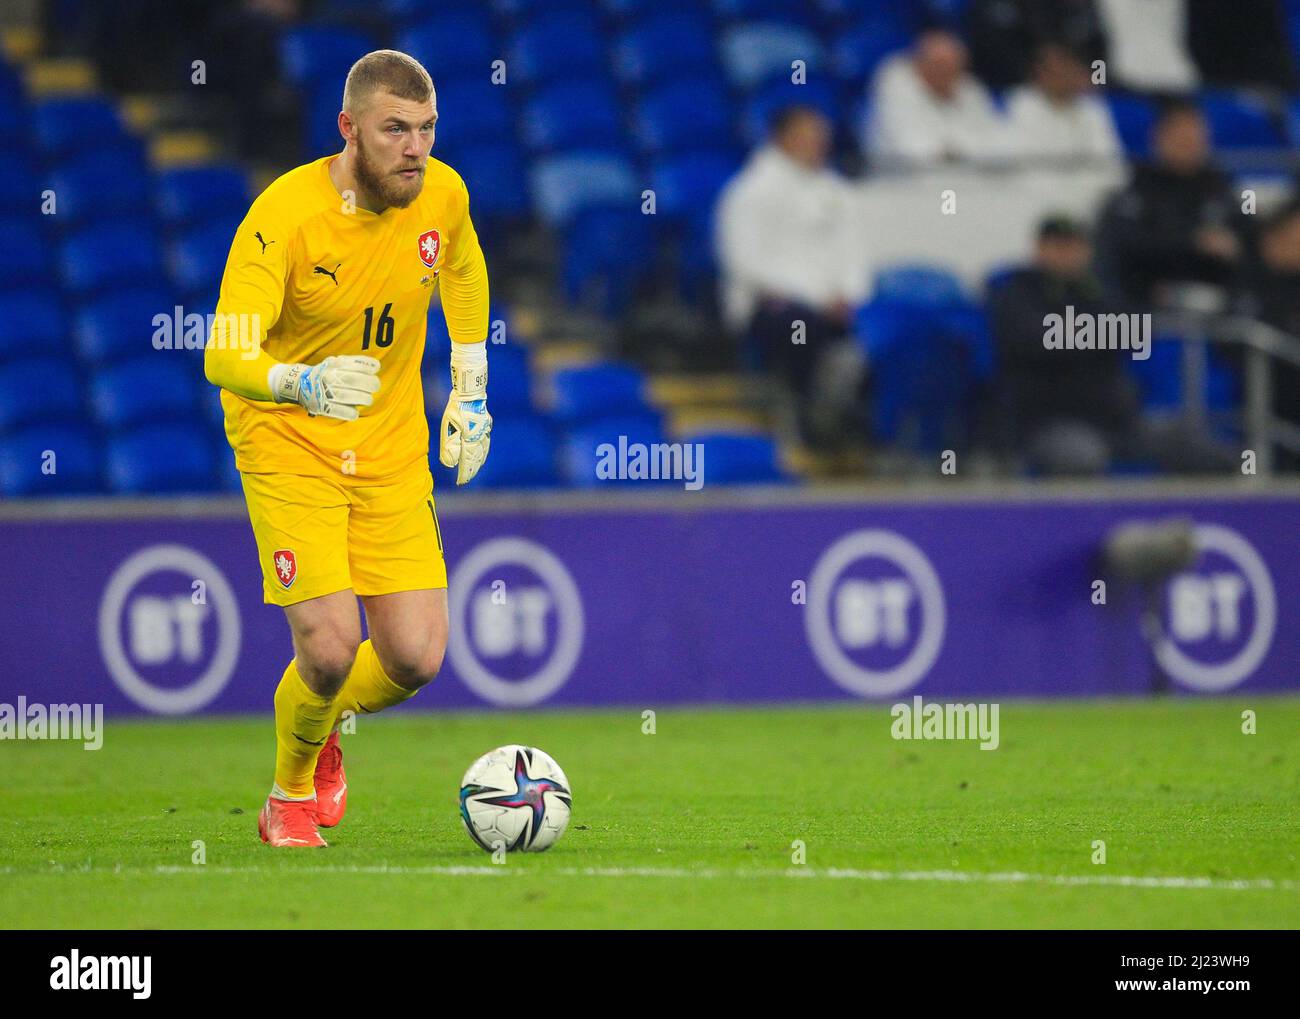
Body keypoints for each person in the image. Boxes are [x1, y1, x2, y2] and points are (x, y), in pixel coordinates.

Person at [204, 50, 493, 847]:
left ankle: (324, 720)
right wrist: (303, 384)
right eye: (394, 129)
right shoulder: (284, 216)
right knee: (329, 648)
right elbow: (223, 356)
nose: (415, 147)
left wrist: (470, 382)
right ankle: (289, 799)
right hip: (288, 439)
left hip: (391, 446)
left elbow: (463, 266)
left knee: (415, 656)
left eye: (427, 128)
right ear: (349, 129)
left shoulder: (443, 193)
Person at [715, 105, 871, 442]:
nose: (818, 144)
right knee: (799, 325)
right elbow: (747, 262)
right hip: (773, 302)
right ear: (782, 139)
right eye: (808, 137)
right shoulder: (749, 193)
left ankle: (861, 421)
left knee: (887, 326)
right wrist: (817, 297)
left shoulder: (837, 191)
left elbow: (854, 251)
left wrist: (849, 292)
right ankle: (807, 415)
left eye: (821, 137)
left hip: (835, 301)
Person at [1094, 100, 1244, 307]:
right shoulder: (1136, 187)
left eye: (1195, 135)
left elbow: (1248, 236)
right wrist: (1194, 242)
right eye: (1180, 136)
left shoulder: (1221, 188)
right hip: (1147, 300)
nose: (1188, 142)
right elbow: (1125, 243)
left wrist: (1234, 245)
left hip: (1218, 301)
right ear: (1158, 138)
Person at [864, 29, 1011, 169]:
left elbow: (995, 141)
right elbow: (913, 149)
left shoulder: (969, 88)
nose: (945, 73)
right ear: (919, 64)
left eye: (953, 67)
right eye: (938, 66)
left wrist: (955, 151)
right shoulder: (896, 84)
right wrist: (963, 151)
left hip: (970, 180)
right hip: (905, 182)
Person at [1004, 44, 1123, 167]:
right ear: (1039, 73)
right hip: (1038, 181)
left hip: (1089, 182)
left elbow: (1109, 162)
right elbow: (1026, 161)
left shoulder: (1093, 110)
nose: (1062, 76)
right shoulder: (1020, 105)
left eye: (1066, 69)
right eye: (1054, 71)